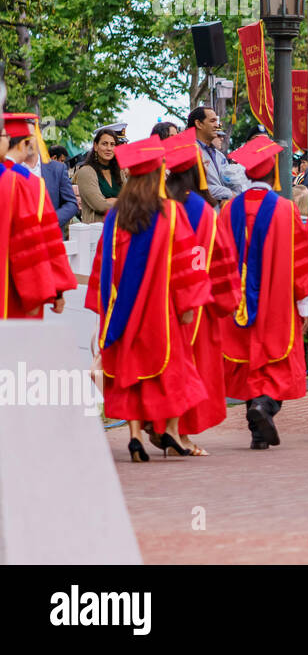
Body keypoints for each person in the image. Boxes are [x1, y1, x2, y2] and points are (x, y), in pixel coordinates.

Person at [85, 137, 212, 462]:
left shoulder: (116, 217)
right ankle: (170, 431)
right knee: (171, 370)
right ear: (158, 174)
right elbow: (185, 264)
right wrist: (188, 305)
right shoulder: (170, 212)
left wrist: (106, 313)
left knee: (131, 374)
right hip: (161, 311)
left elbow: (104, 269)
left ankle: (135, 436)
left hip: (124, 312)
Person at [218, 135, 308, 450]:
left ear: (247, 173)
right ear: (272, 171)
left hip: (237, 303)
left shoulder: (227, 210)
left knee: (249, 360)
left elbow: (218, 260)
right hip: (275, 302)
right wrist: (304, 306)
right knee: (274, 361)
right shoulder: (285, 210)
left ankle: (257, 429)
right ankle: (265, 406)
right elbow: (301, 261)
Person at [162, 130, 239, 456]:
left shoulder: (158, 204)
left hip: (160, 302)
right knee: (191, 365)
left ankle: (161, 426)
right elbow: (221, 258)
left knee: (163, 363)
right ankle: (180, 433)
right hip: (197, 302)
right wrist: (228, 300)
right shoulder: (205, 211)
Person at [1, 115, 71, 319]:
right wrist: (51, 291)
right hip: (13, 290)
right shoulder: (27, 184)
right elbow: (31, 244)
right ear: (24, 144)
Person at [75, 126, 124, 223]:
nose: (109, 148)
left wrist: (111, 200)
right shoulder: (86, 172)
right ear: (96, 146)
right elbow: (100, 205)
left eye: (112, 144)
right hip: (96, 231)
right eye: (104, 144)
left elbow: (132, 198)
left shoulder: (119, 172)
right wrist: (123, 201)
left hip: (119, 229)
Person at [187, 106, 235, 203]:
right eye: (212, 121)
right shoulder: (189, 152)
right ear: (199, 124)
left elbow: (228, 182)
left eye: (216, 121)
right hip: (200, 211)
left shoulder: (219, 155)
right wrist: (227, 193)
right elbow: (191, 186)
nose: (217, 125)